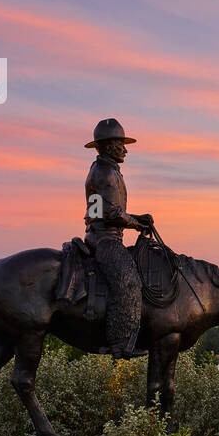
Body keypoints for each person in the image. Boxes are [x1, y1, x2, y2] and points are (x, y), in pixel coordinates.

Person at [83, 118, 152, 359]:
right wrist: (137, 223)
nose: (125, 149)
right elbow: (111, 213)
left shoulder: (108, 170)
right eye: (121, 144)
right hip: (105, 239)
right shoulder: (105, 173)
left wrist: (136, 218)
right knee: (130, 281)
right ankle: (119, 344)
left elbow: (111, 210)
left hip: (106, 235)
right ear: (110, 146)